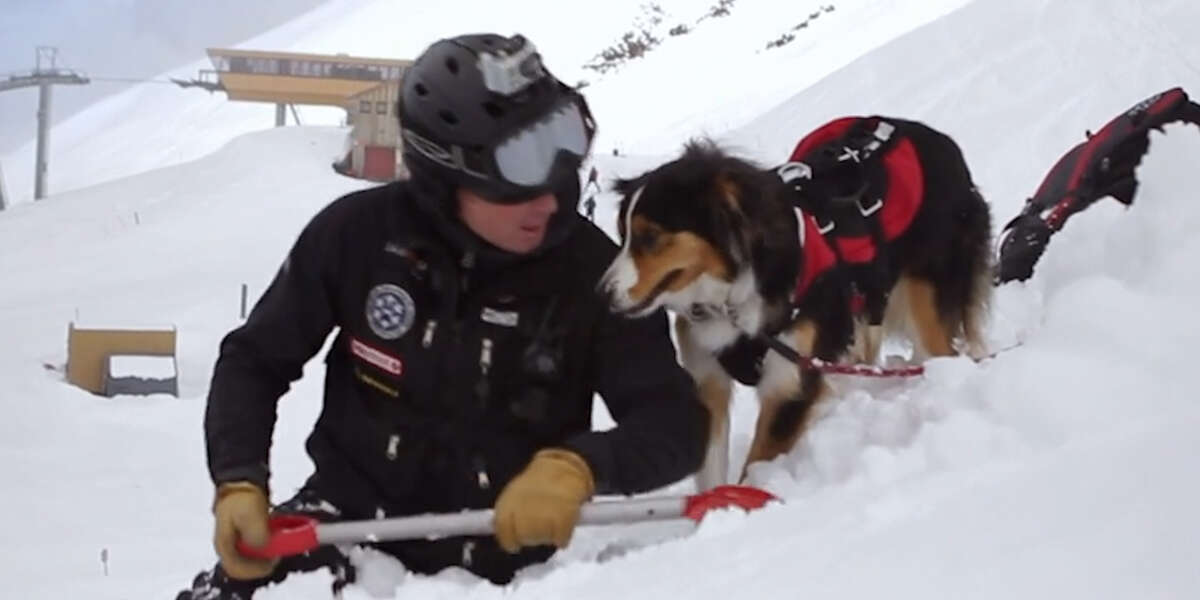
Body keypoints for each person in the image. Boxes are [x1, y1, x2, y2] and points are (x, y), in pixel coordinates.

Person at [176, 32, 708, 599]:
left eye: (563, 148)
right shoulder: (356, 237)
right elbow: (255, 361)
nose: (551, 199)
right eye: (519, 173)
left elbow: (675, 421)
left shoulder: (592, 274)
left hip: (506, 564)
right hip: (346, 526)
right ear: (445, 177)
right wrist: (238, 480)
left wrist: (582, 467)